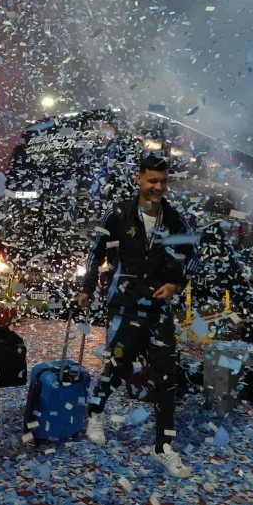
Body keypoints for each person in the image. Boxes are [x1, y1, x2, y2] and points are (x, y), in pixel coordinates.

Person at [74, 155, 199, 478]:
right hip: (124, 305)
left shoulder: (174, 219)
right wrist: (87, 289)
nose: (158, 187)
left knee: (167, 375)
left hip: (159, 309)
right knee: (118, 365)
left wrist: (175, 284)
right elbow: (95, 252)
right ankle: (97, 411)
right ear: (138, 180)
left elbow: (193, 255)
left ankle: (163, 447)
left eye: (163, 182)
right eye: (152, 181)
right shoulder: (118, 214)